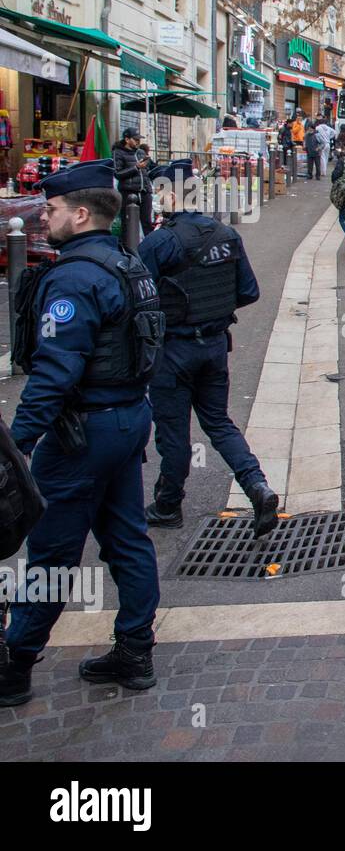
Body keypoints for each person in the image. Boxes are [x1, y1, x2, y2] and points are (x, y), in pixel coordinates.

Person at [0, 162, 166, 707]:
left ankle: (15, 664)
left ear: (79, 213)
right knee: (127, 539)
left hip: (82, 431)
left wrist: (18, 443)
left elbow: (55, 371)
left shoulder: (73, 276)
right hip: (127, 418)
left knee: (51, 552)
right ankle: (135, 651)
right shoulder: (127, 262)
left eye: (49, 210)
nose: (41, 218)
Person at [134, 158, 279, 534]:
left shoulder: (159, 242)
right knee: (218, 422)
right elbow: (249, 292)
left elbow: (134, 300)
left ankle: (169, 505)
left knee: (173, 431)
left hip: (173, 352)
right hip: (214, 346)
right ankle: (257, 486)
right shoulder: (226, 234)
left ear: (167, 194)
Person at [112, 127, 154, 238]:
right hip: (128, 193)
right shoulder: (118, 153)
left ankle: (151, 249)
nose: (137, 142)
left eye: (139, 140)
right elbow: (118, 174)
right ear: (127, 139)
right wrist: (136, 167)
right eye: (135, 139)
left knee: (147, 223)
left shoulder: (140, 152)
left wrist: (148, 188)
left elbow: (149, 170)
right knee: (128, 224)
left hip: (144, 192)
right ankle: (127, 250)